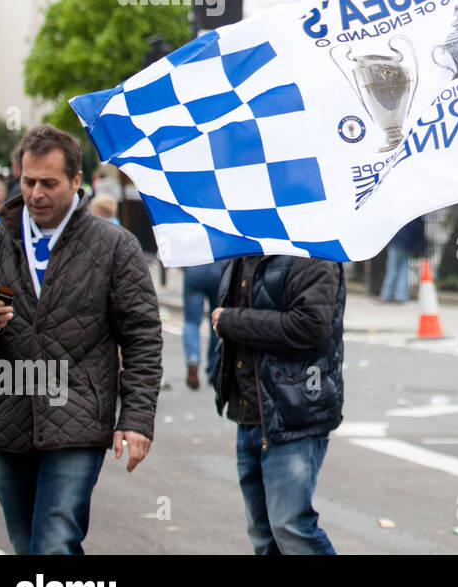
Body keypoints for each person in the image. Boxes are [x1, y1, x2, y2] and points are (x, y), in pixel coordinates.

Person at [0, 125, 162, 554]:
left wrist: (136, 417)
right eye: (28, 181)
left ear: (76, 181)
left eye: (49, 183)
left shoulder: (114, 246)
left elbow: (142, 336)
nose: (36, 193)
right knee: (27, 547)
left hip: (78, 419)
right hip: (8, 419)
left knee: (54, 544)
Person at [212, 255, 345, 555]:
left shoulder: (311, 250)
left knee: (291, 528)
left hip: (294, 411)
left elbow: (310, 325)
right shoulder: (240, 251)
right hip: (249, 410)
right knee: (262, 533)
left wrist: (231, 321)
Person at [182, 261, 224, 389]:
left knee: (191, 322)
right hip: (218, 269)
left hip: (194, 269)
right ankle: (214, 368)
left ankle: (193, 358)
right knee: (217, 320)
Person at [378, 214, 425, 304]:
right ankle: (402, 296)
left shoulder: (402, 209)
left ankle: (386, 295)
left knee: (392, 268)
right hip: (407, 242)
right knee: (404, 268)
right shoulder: (415, 210)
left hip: (398, 240)